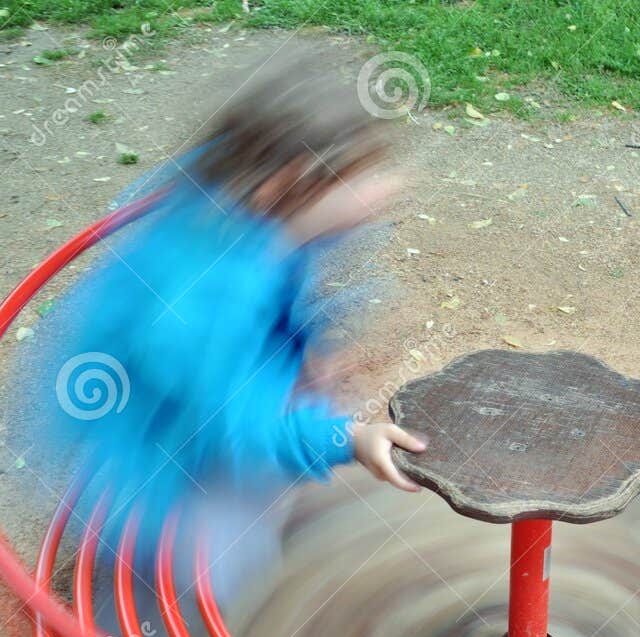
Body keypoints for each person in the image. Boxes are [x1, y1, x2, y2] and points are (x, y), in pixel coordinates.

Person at [26, 46, 425, 560]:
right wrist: (346, 441)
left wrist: (302, 351)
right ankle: (148, 621)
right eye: (363, 177)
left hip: (214, 381)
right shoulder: (205, 301)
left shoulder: (255, 206)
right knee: (225, 557)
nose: (389, 188)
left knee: (298, 422)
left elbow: (281, 287)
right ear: (285, 185)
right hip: (165, 451)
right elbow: (235, 430)